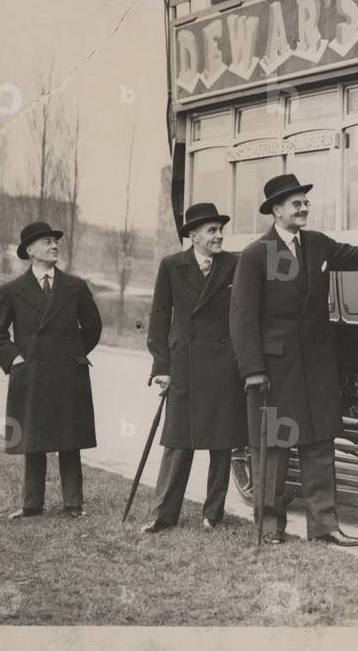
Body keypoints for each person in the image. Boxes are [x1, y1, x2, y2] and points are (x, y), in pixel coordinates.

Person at [230, 173, 358, 546]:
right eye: (296, 203)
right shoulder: (258, 253)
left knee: (318, 444)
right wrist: (252, 369)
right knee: (274, 446)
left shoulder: (318, 245)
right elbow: (241, 317)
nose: (304, 207)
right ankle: (271, 526)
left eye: (305, 202)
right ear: (276, 210)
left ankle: (325, 526)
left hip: (316, 366)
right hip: (274, 370)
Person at [140, 202, 247, 533]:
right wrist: (161, 364)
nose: (218, 236)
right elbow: (159, 318)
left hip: (224, 365)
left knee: (221, 442)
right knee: (178, 442)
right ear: (193, 235)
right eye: (211, 231)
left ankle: (213, 514)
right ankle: (163, 514)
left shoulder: (236, 263)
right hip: (184, 365)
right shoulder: (172, 266)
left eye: (220, 230)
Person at [0, 221, 102, 519]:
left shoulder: (75, 286)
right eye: (47, 242)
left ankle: (74, 504)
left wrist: (74, 354)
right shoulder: (12, 290)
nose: (54, 246)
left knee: (70, 439)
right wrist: (16, 361)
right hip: (32, 373)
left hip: (68, 374)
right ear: (30, 251)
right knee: (33, 440)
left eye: (55, 241)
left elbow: (93, 327)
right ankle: (31, 504)